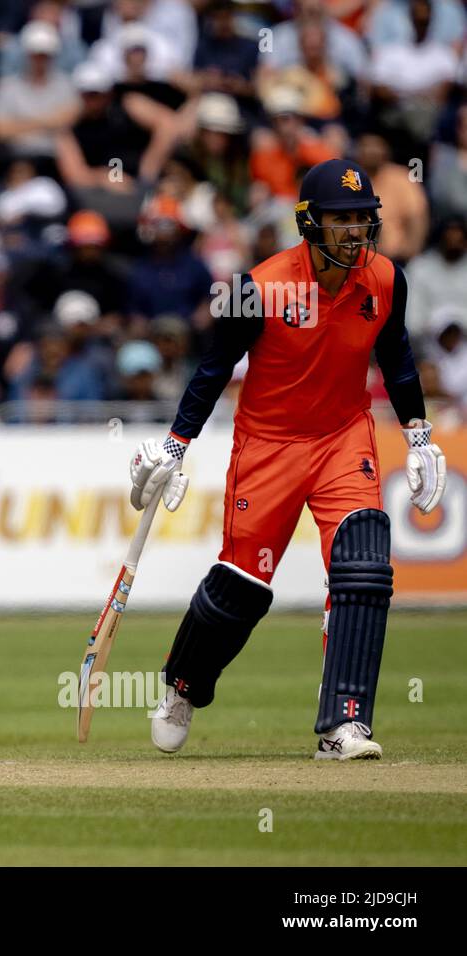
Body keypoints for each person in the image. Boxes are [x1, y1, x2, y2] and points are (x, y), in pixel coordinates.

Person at [135, 159, 447, 761]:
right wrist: (177, 445)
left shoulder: (386, 279)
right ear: (310, 224)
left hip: (342, 438)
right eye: (342, 220)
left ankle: (344, 725)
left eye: (363, 219)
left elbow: (398, 357)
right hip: (268, 444)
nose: (355, 231)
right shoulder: (257, 287)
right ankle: (181, 687)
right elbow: (213, 369)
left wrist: (418, 433)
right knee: (242, 589)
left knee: (362, 570)